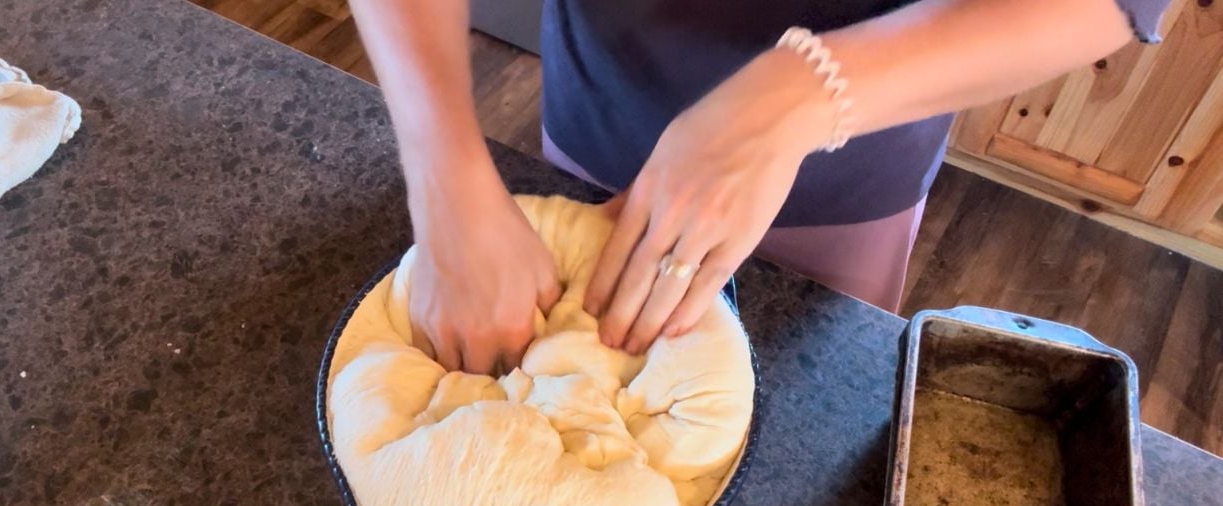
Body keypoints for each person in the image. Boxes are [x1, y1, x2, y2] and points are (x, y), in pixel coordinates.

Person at [349, 0, 1167, 374]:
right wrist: (444, 169)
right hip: (598, 109)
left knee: (798, 404)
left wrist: (800, 94)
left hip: (847, 173)